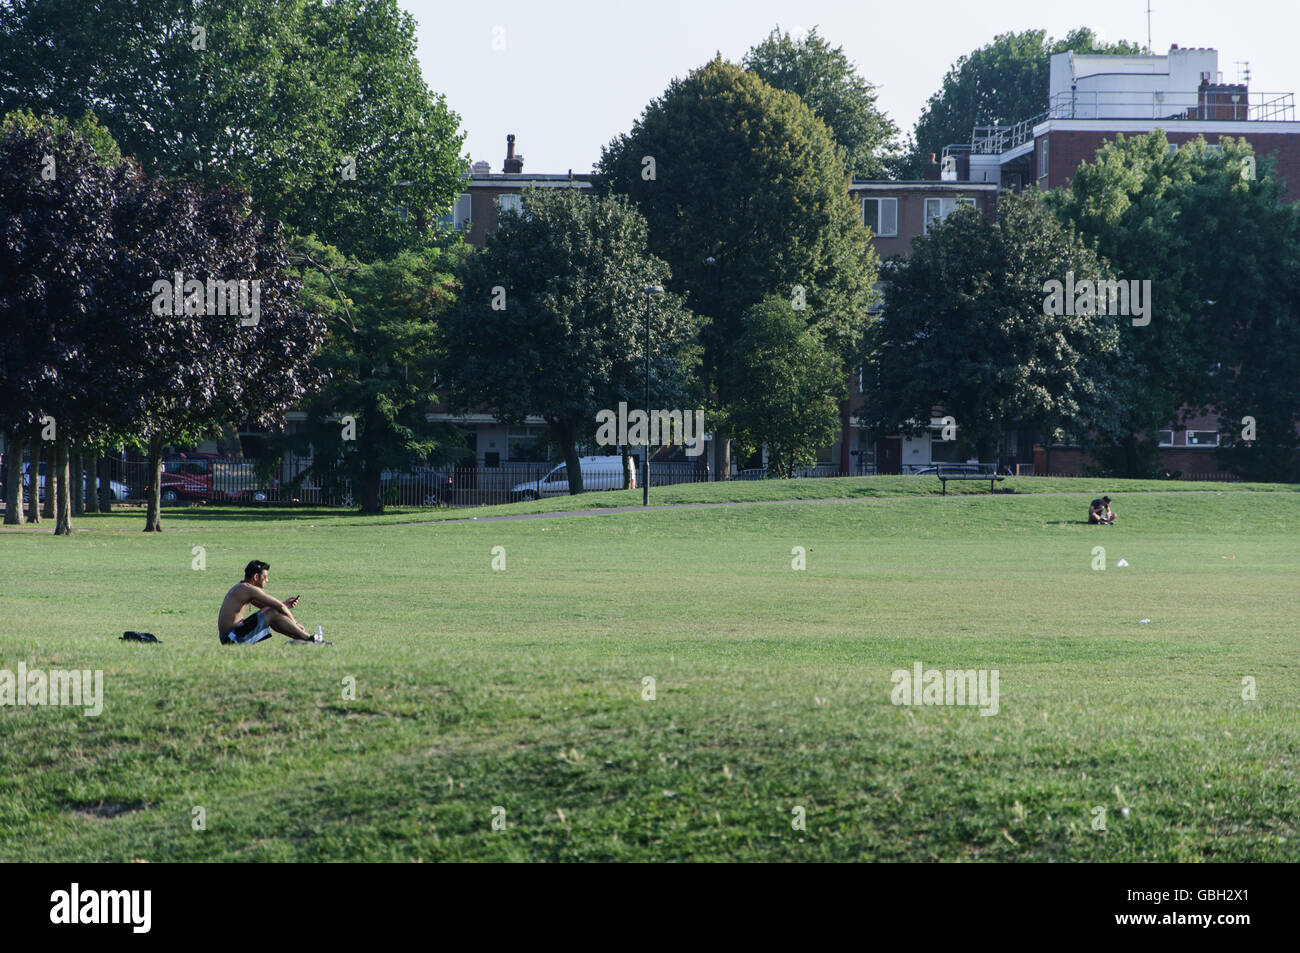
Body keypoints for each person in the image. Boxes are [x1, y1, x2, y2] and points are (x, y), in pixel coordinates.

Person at [218, 560, 322, 644]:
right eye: (265, 577)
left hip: (231, 635)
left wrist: (286, 605)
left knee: (272, 612)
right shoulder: (248, 589)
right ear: (256, 577)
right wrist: (295, 623)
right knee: (273, 612)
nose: (267, 580)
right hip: (232, 638)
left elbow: (272, 607)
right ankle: (311, 639)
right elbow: (278, 607)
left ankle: (304, 639)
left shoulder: (242, 588)